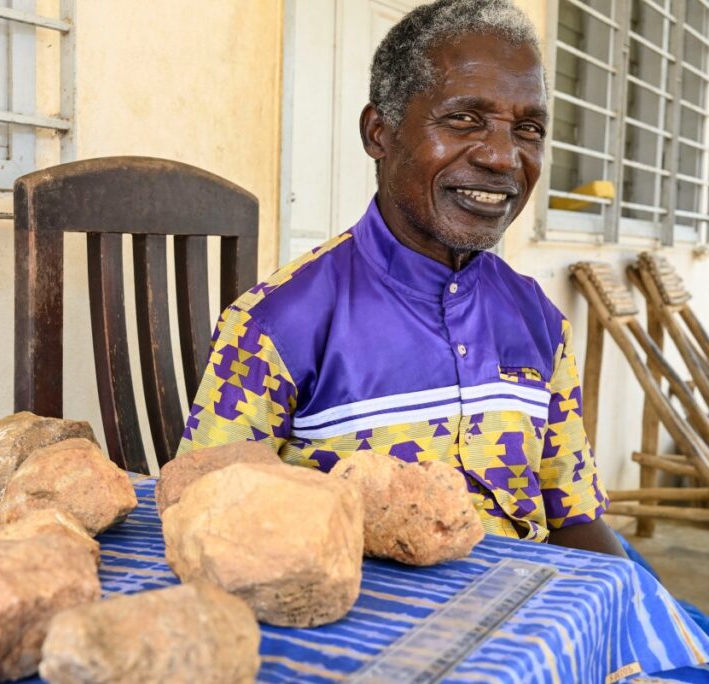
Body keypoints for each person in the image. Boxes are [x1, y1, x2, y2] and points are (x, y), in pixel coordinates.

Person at [178, 0, 626, 558]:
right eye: (465, 119)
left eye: (528, 128)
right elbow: (202, 517)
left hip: (533, 618)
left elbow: (574, 516)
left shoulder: (537, 319)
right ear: (379, 133)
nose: (503, 157)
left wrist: (638, 610)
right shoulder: (276, 325)